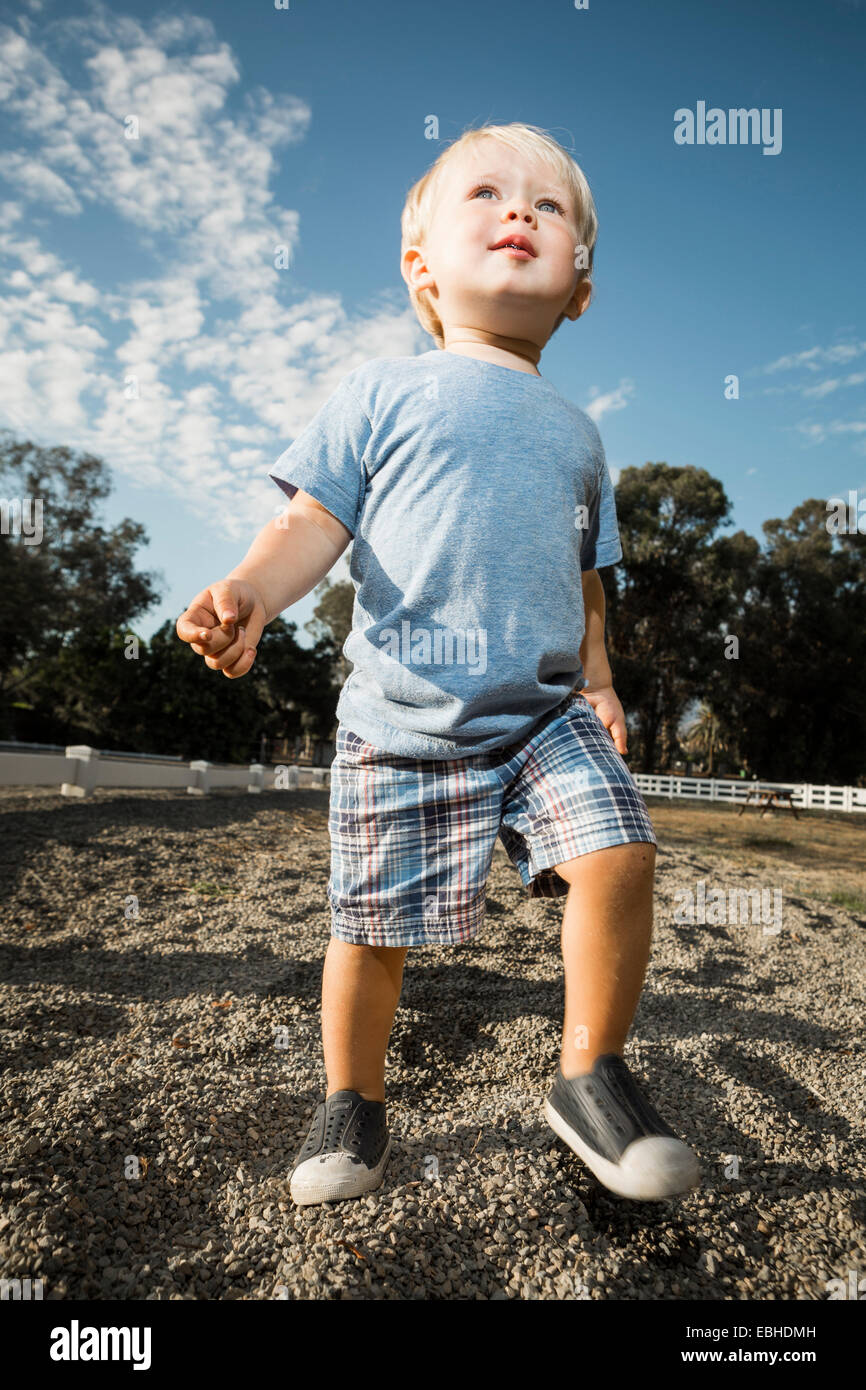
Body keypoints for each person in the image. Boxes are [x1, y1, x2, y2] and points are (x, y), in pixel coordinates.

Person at [176, 122, 701, 1206]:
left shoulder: (580, 435)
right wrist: (251, 594)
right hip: (403, 722)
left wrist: (600, 682)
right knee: (371, 932)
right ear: (420, 267)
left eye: (549, 209)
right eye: (487, 195)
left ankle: (588, 1075)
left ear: (581, 288)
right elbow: (312, 525)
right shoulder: (379, 392)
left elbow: (586, 579)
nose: (520, 214)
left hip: (544, 710)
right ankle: (352, 1102)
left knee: (619, 855)